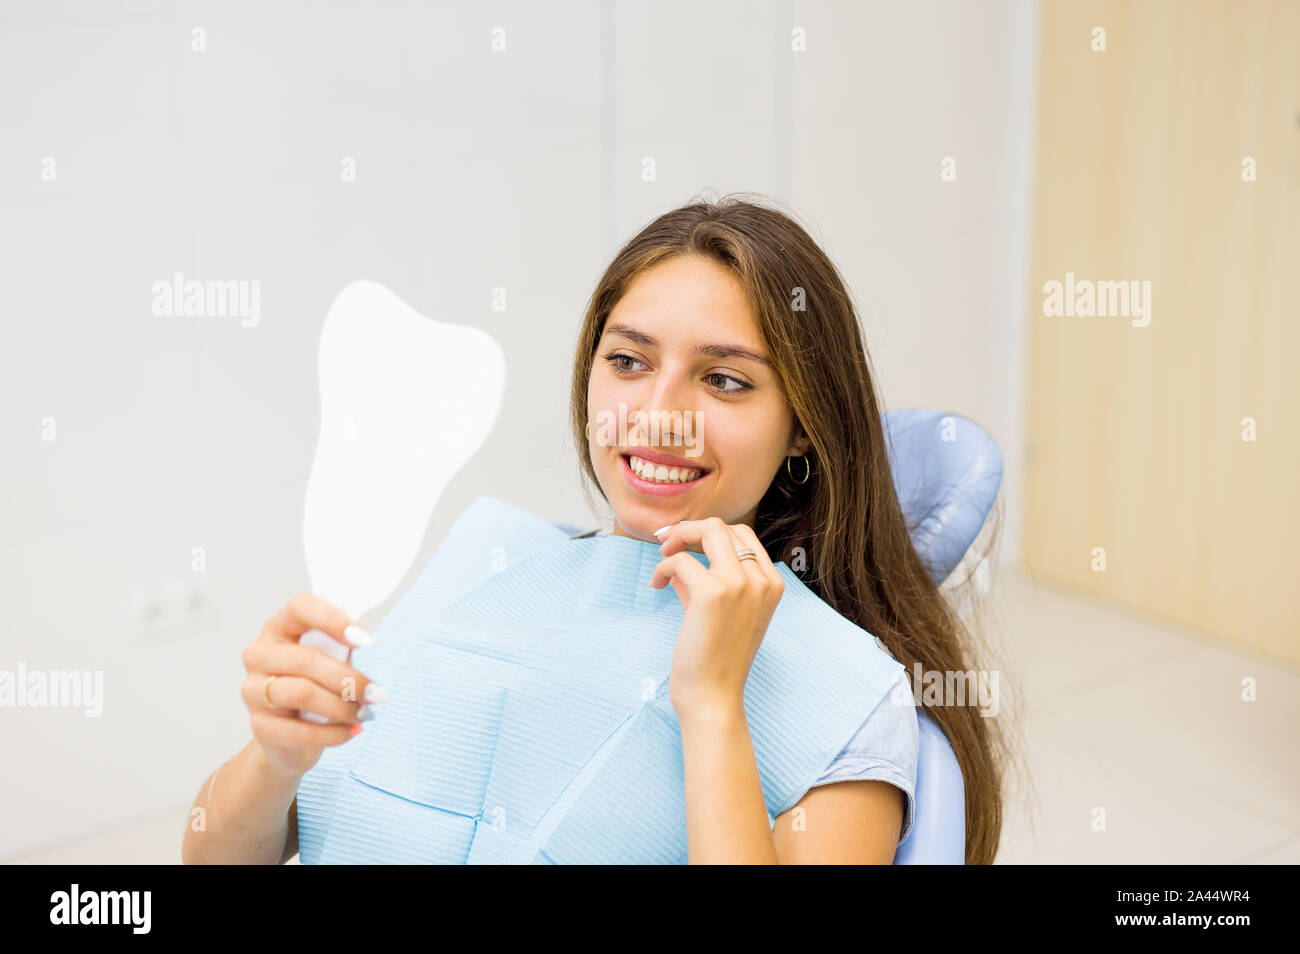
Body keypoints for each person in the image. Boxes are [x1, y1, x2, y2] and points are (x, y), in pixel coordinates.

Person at [182, 192, 1007, 865]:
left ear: (802, 425)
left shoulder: (844, 700)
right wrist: (277, 760)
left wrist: (714, 703)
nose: (657, 418)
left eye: (723, 380)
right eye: (628, 361)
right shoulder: (489, 563)